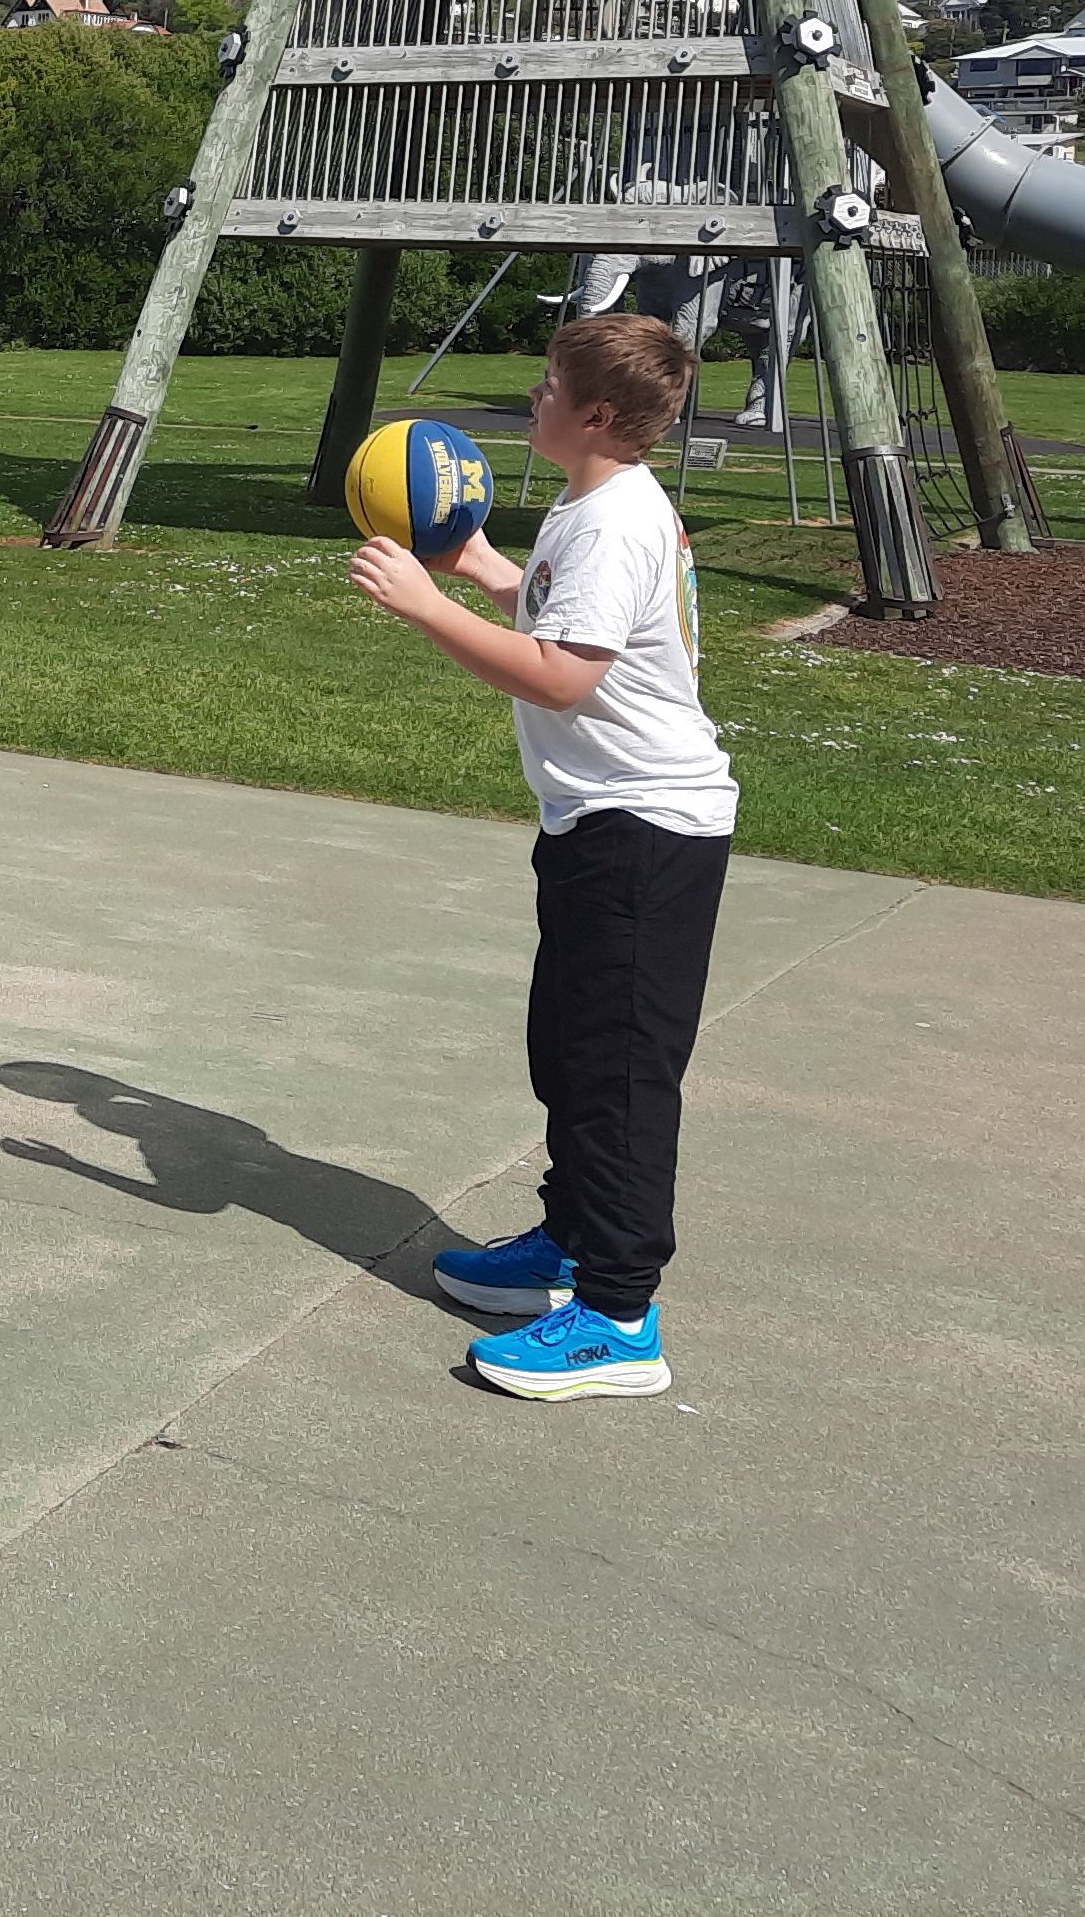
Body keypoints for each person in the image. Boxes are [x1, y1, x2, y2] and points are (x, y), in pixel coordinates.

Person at [345, 311, 736, 1401]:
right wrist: (473, 566)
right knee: (565, 1052)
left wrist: (425, 609)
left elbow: (565, 677)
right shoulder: (594, 503)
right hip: (598, 822)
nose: (534, 398)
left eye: (547, 386)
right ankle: (567, 1243)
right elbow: (555, 612)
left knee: (616, 1076)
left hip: (646, 832)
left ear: (596, 415)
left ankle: (617, 1317)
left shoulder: (615, 521)